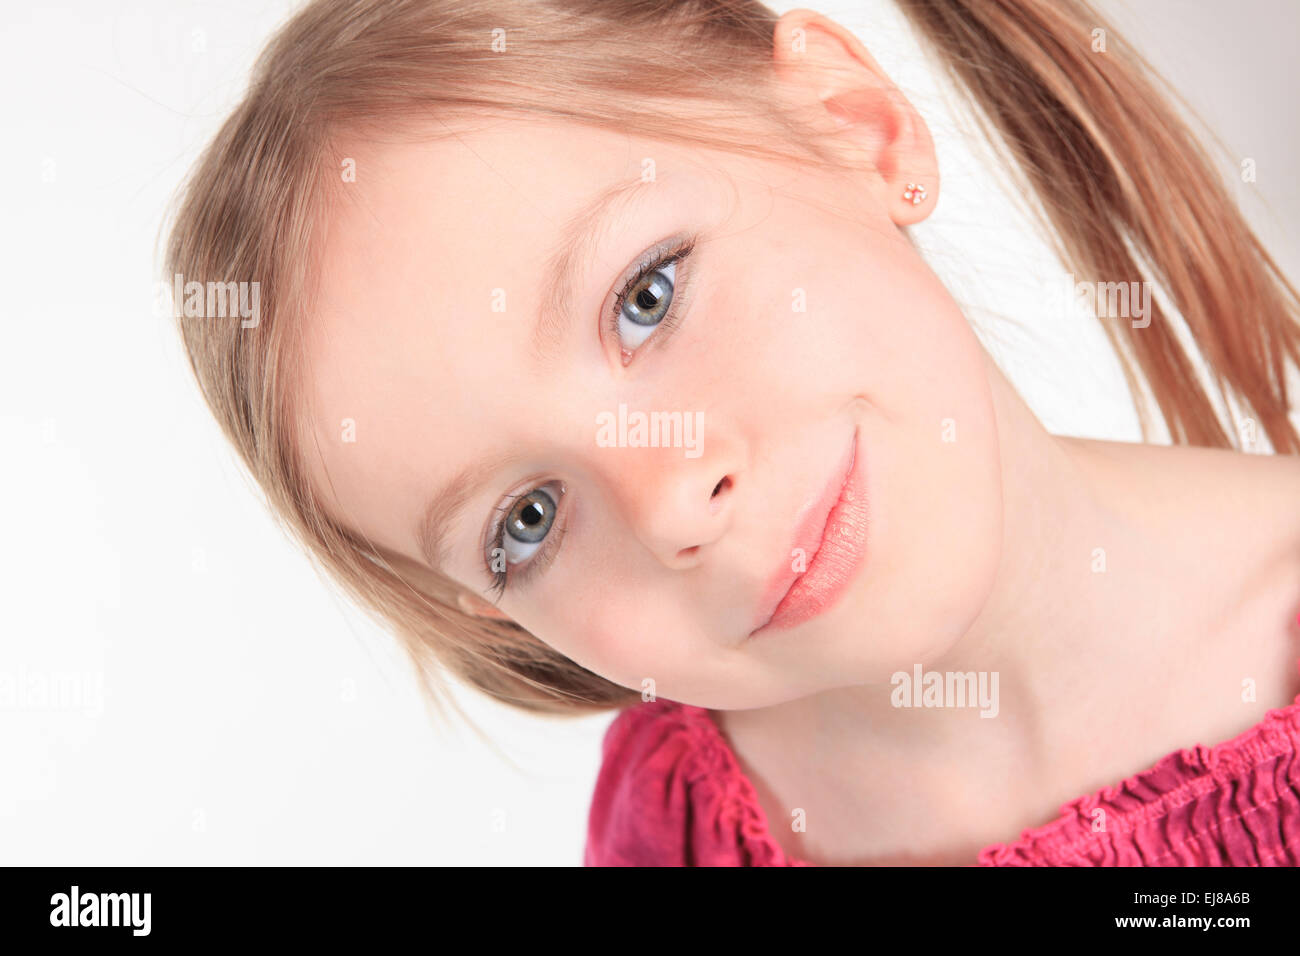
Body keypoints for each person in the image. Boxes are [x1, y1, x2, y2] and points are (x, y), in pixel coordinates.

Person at [163, 0, 1300, 865]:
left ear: (857, 127)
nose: (669, 504)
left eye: (645, 296)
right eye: (529, 519)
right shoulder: (675, 828)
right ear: (494, 612)